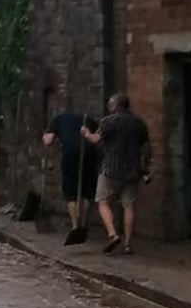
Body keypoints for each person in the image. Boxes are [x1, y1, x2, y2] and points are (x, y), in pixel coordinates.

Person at [81, 92, 151, 254]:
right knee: (129, 206)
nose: (109, 106)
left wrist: (86, 133)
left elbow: (96, 140)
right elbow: (146, 147)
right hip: (133, 170)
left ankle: (112, 234)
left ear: (116, 105)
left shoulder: (108, 121)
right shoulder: (139, 123)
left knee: (102, 201)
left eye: (111, 103)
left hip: (110, 169)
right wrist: (146, 168)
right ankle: (127, 244)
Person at [44, 100, 99, 235]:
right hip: (89, 155)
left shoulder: (58, 119)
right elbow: (98, 137)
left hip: (70, 155)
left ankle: (75, 227)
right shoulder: (88, 119)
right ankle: (84, 225)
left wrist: (45, 136)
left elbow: (48, 140)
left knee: (70, 193)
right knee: (86, 193)